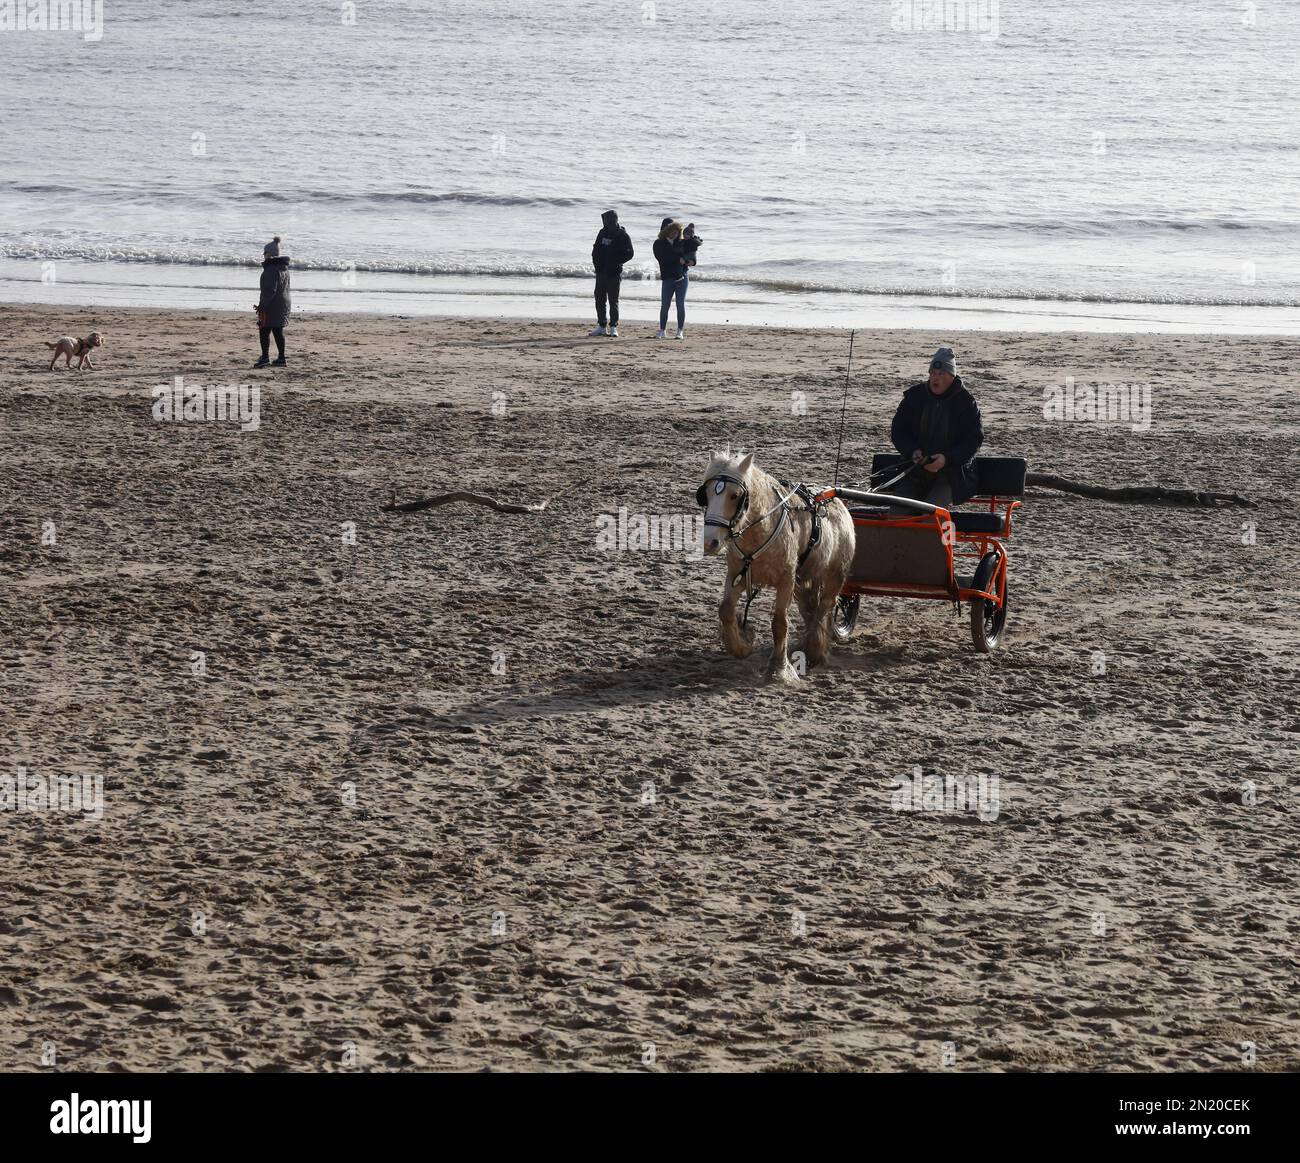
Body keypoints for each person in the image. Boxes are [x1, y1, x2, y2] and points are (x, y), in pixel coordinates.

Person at [887, 346, 983, 511]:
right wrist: (912, 451)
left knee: (930, 514)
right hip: (914, 470)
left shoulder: (966, 402)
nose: (935, 378)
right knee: (897, 512)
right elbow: (898, 430)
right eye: (933, 373)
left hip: (950, 475)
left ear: (951, 376)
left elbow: (973, 440)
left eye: (941, 374)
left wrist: (946, 459)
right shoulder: (914, 396)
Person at [589, 210, 634, 337]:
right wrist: (597, 264)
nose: (604, 222)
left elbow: (630, 253)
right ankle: (602, 326)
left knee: (613, 300)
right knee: (599, 298)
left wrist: (616, 261)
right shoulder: (602, 232)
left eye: (606, 220)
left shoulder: (622, 235)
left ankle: (613, 326)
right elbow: (596, 249)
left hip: (614, 273)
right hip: (601, 272)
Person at [253, 236, 291, 368]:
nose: (263, 255)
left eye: (265, 252)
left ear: (270, 254)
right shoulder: (284, 269)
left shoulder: (270, 270)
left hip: (272, 305)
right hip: (284, 304)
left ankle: (265, 357)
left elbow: (270, 291)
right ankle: (281, 358)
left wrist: (262, 306)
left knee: (264, 330)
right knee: (278, 331)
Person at [653, 217, 689, 340]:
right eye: (671, 230)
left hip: (682, 277)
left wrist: (691, 261)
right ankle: (662, 330)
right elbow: (663, 259)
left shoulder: (682, 242)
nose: (674, 233)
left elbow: (690, 256)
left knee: (680, 304)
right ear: (664, 230)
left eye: (676, 230)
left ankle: (680, 331)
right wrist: (678, 259)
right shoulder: (658, 244)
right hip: (668, 277)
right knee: (665, 305)